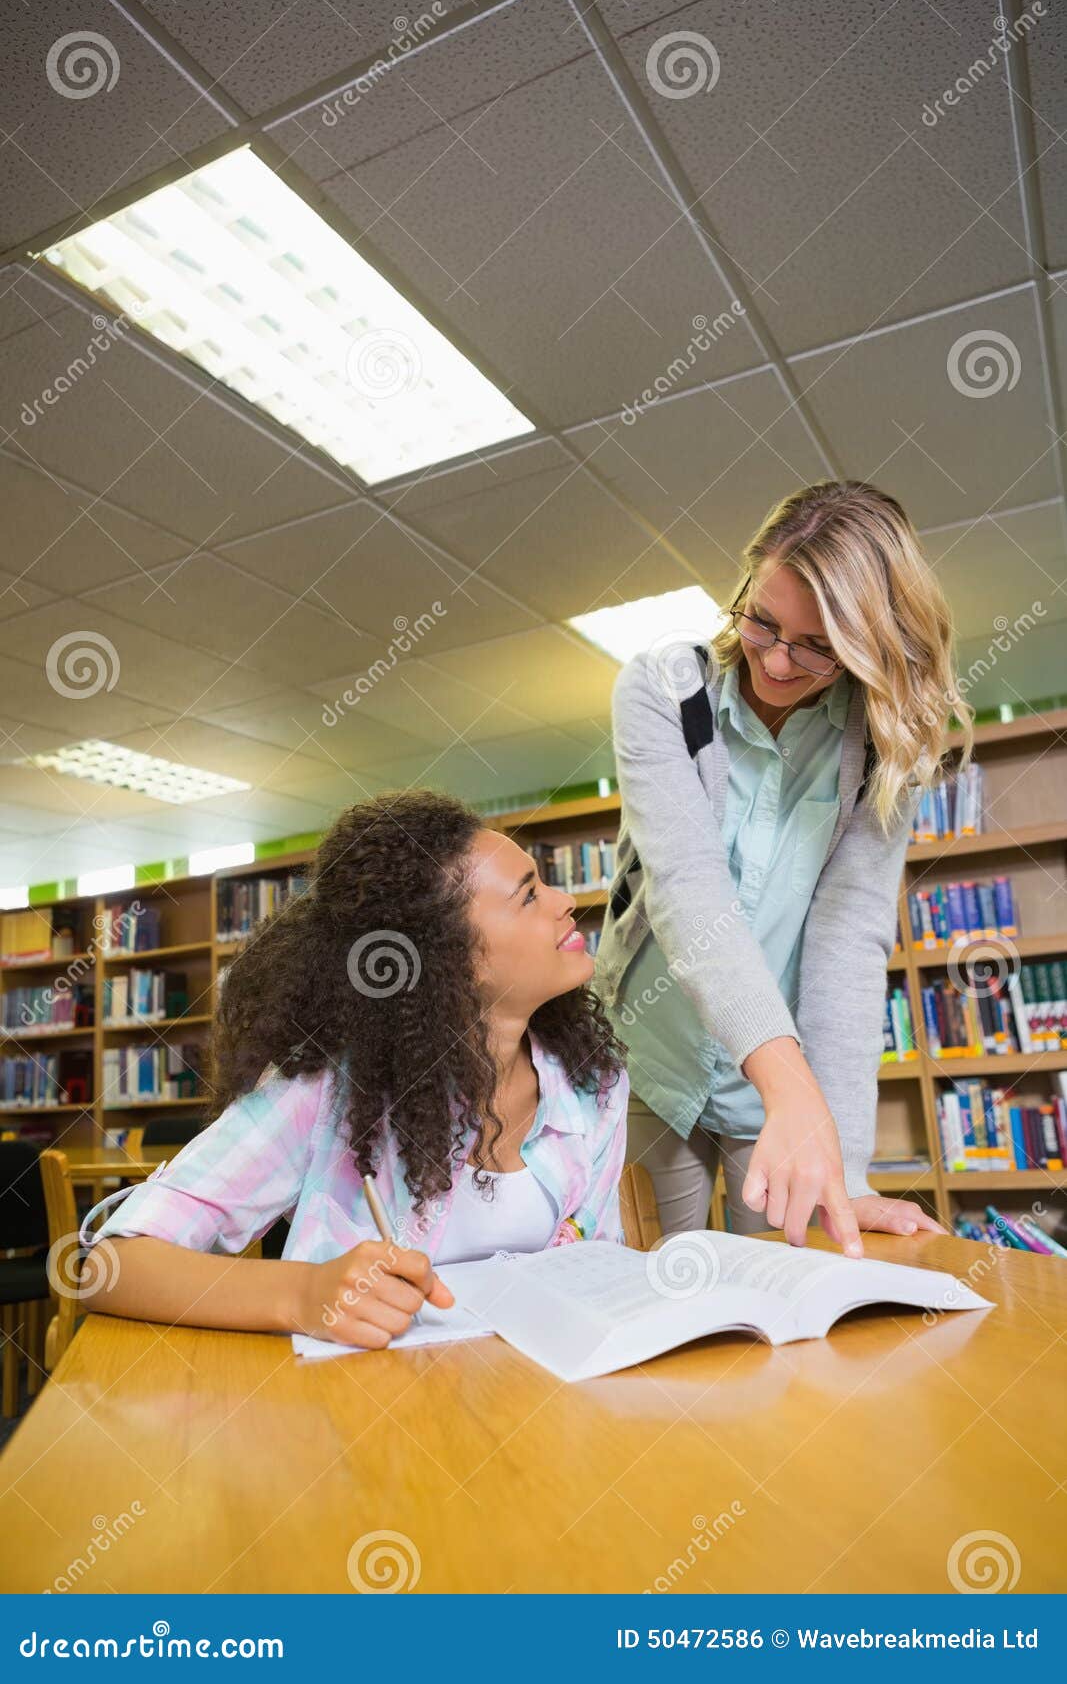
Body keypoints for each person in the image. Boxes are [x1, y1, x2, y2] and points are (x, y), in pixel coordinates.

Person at [79, 791, 628, 1350]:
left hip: (538, 1406)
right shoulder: (323, 1097)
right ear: (451, 953)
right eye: (529, 895)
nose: (565, 900)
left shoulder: (595, 1087)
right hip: (363, 1414)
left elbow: (597, 1268)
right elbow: (113, 1266)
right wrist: (300, 1294)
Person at [595, 479, 970, 1252]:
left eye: (817, 646)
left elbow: (847, 945)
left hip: (773, 1091)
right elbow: (686, 890)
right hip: (649, 1059)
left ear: (872, 645)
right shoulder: (662, 692)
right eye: (762, 621)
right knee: (648, 1296)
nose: (773, 660)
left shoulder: (877, 748)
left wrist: (847, 1165)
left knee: (786, 1297)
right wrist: (793, 1089)